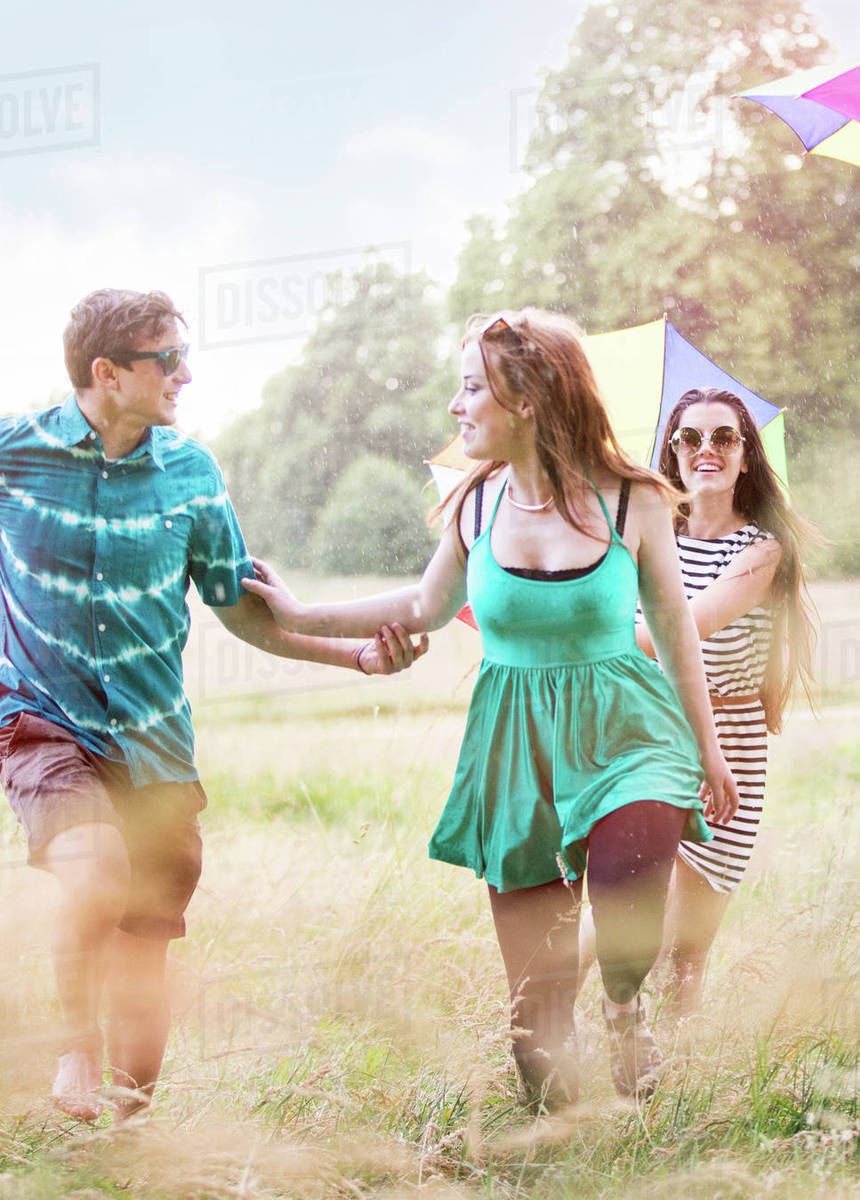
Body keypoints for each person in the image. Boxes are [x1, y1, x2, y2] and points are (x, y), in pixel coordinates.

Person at [243, 309, 740, 1107]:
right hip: (516, 748)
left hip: (629, 732)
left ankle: (623, 1003)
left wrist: (707, 751)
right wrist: (300, 613)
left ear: (529, 399)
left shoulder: (634, 500)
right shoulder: (475, 507)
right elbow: (424, 606)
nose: (456, 405)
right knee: (537, 1031)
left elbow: (676, 630)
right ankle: (567, 1130)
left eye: (472, 387)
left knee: (625, 894)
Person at [0, 288, 427, 1122]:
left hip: (155, 745)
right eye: (168, 360)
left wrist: (356, 656)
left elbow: (243, 611)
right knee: (95, 879)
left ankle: (128, 1138)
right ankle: (73, 1051)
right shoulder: (16, 454)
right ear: (107, 373)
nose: (185, 376)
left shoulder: (192, 475)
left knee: (142, 966)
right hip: (43, 723)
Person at [578, 388, 817, 1016]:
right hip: (648, 739)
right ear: (673, 452)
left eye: (723, 437)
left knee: (687, 950)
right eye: (689, 437)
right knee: (622, 911)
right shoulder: (644, 540)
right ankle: (541, 1028)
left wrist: (587, 637)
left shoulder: (761, 551)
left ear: (745, 457)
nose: (705, 449)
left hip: (727, 747)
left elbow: (684, 627)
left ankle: (680, 1070)